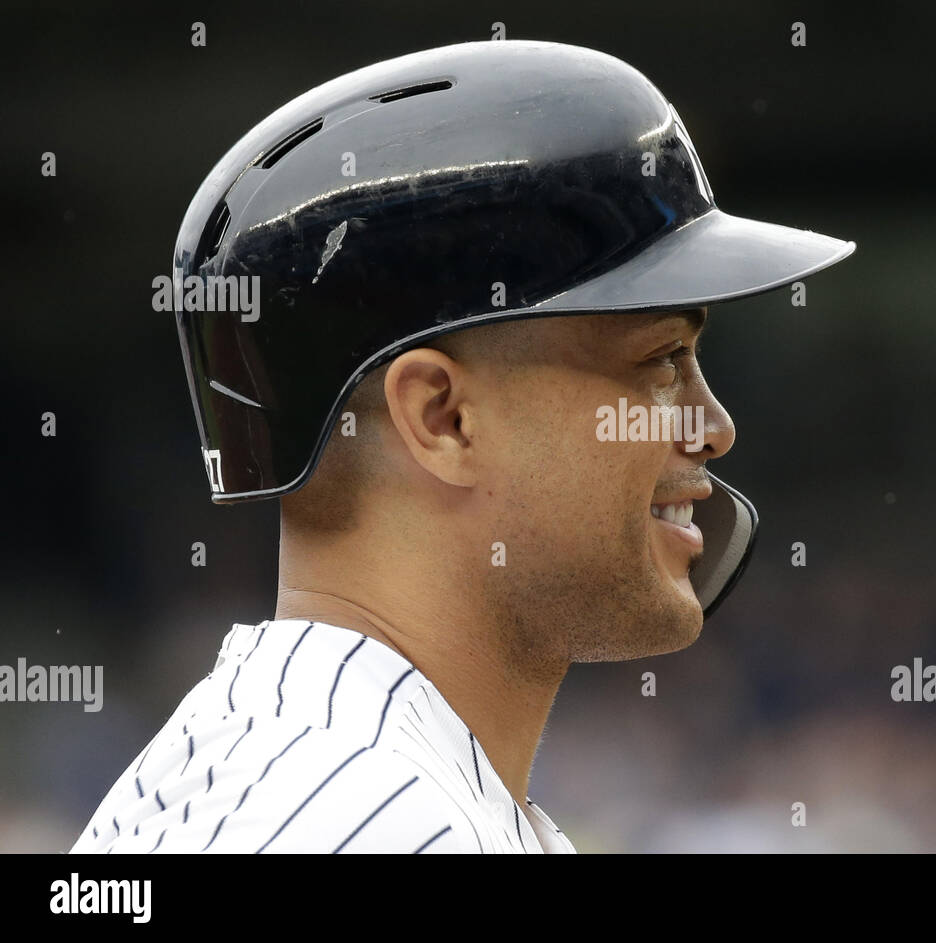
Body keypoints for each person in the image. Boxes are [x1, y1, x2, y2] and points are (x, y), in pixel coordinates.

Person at [71, 39, 854, 853]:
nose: (713, 425)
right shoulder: (363, 822)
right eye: (660, 361)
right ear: (443, 418)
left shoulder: (328, 779)